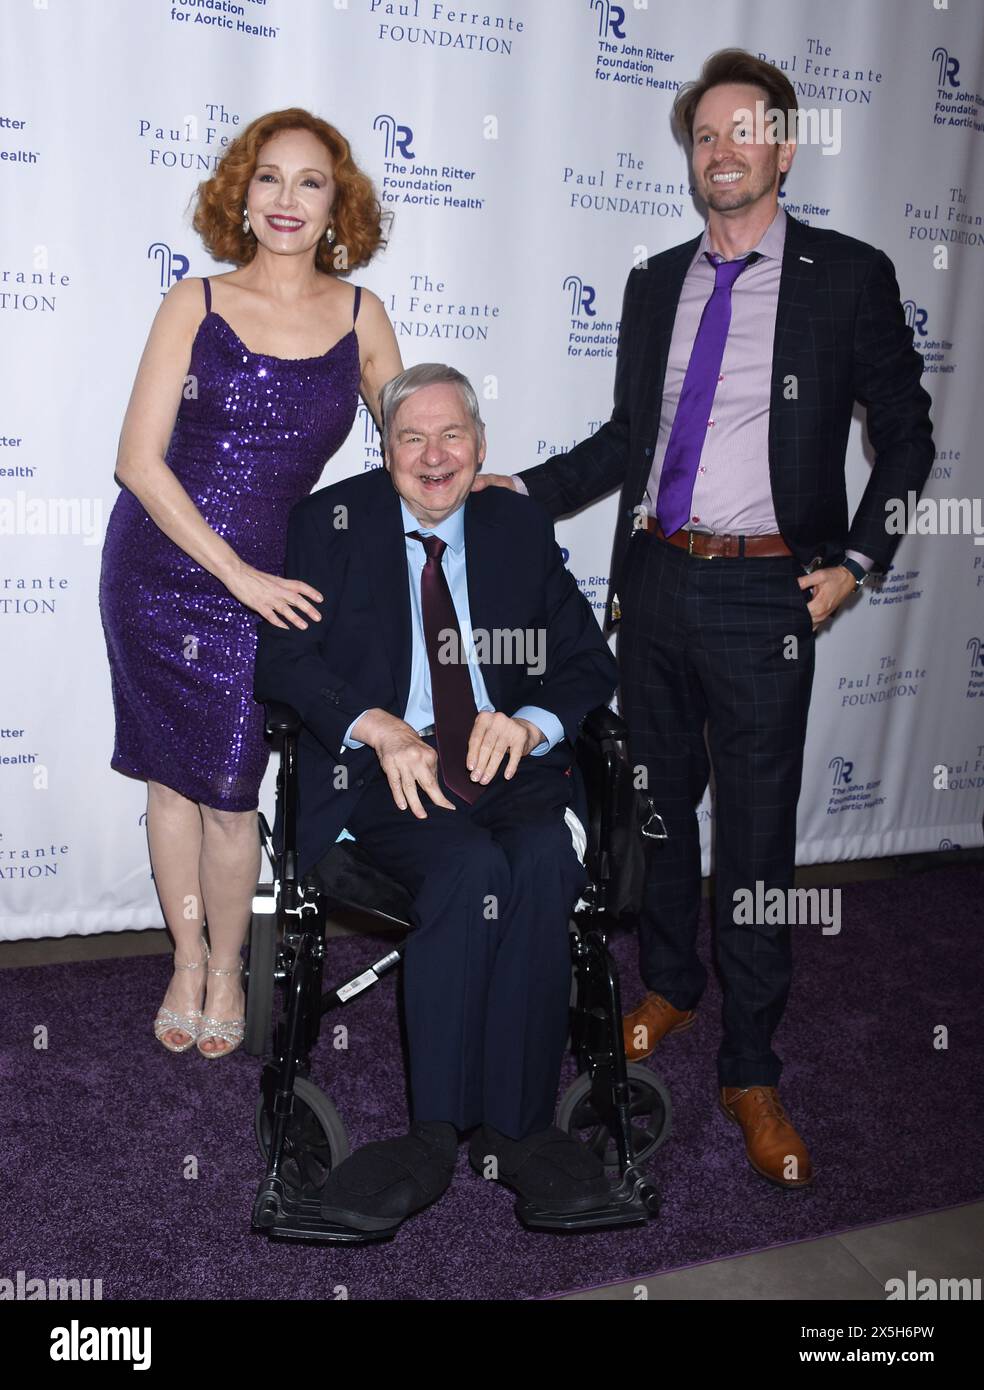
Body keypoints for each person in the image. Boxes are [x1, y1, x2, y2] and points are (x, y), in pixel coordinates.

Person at [474, 50, 935, 1188]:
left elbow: (909, 434)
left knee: (760, 837)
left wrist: (859, 561)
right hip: (657, 584)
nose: (721, 150)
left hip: (769, 590)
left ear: (784, 147)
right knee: (658, 806)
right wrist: (521, 488)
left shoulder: (847, 276)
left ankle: (751, 1062)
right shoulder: (655, 283)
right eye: (704, 136)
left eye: (745, 131)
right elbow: (627, 442)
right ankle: (674, 985)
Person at [253, 363, 619, 1234]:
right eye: (410, 437)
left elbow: (588, 662)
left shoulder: (516, 525)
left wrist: (528, 722)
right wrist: (372, 723)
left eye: (451, 434)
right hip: (385, 774)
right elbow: (283, 663)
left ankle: (521, 1129)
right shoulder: (328, 524)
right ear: (385, 452)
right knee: (464, 865)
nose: (432, 456)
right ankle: (432, 1137)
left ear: (480, 447)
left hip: (504, 768)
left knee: (537, 859)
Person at [99, 108, 402, 1059]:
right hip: (163, 568)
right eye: (268, 178)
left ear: (336, 205)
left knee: (233, 791)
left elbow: (414, 443)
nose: (286, 200)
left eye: (310, 183)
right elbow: (139, 464)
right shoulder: (193, 302)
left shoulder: (361, 316)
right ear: (243, 192)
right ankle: (185, 958)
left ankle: (229, 966)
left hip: (277, 587)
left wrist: (482, 476)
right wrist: (234, 574)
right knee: (169, 784)